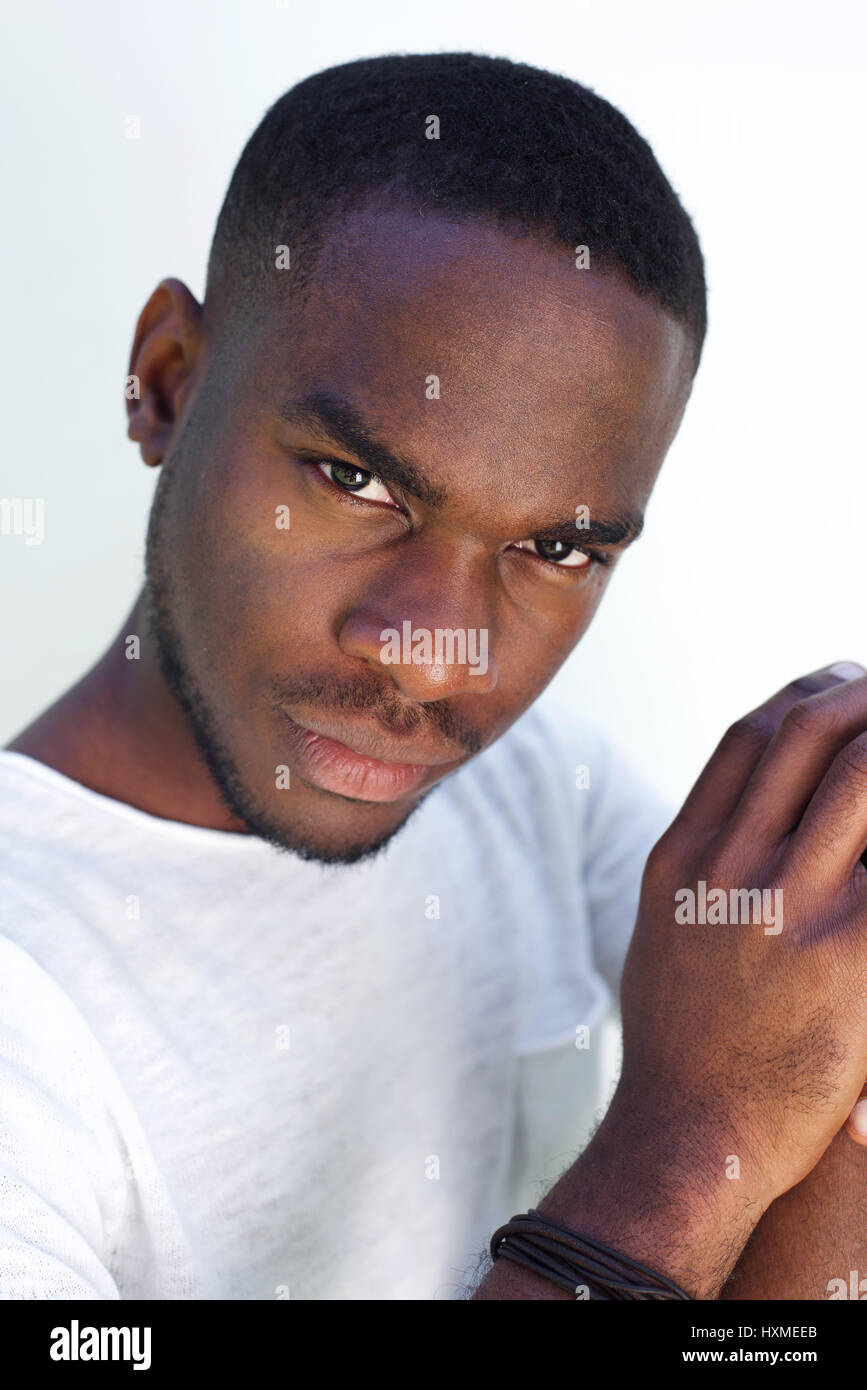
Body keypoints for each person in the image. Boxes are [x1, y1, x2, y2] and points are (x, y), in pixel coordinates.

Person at [1, 52, 865, 1302]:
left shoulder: (530, 794)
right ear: (168, 382)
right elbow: (738, 1116)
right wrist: (685, 1148)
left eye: (555, 548)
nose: (434, 649)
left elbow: (810, 1069)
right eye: (356, 482)